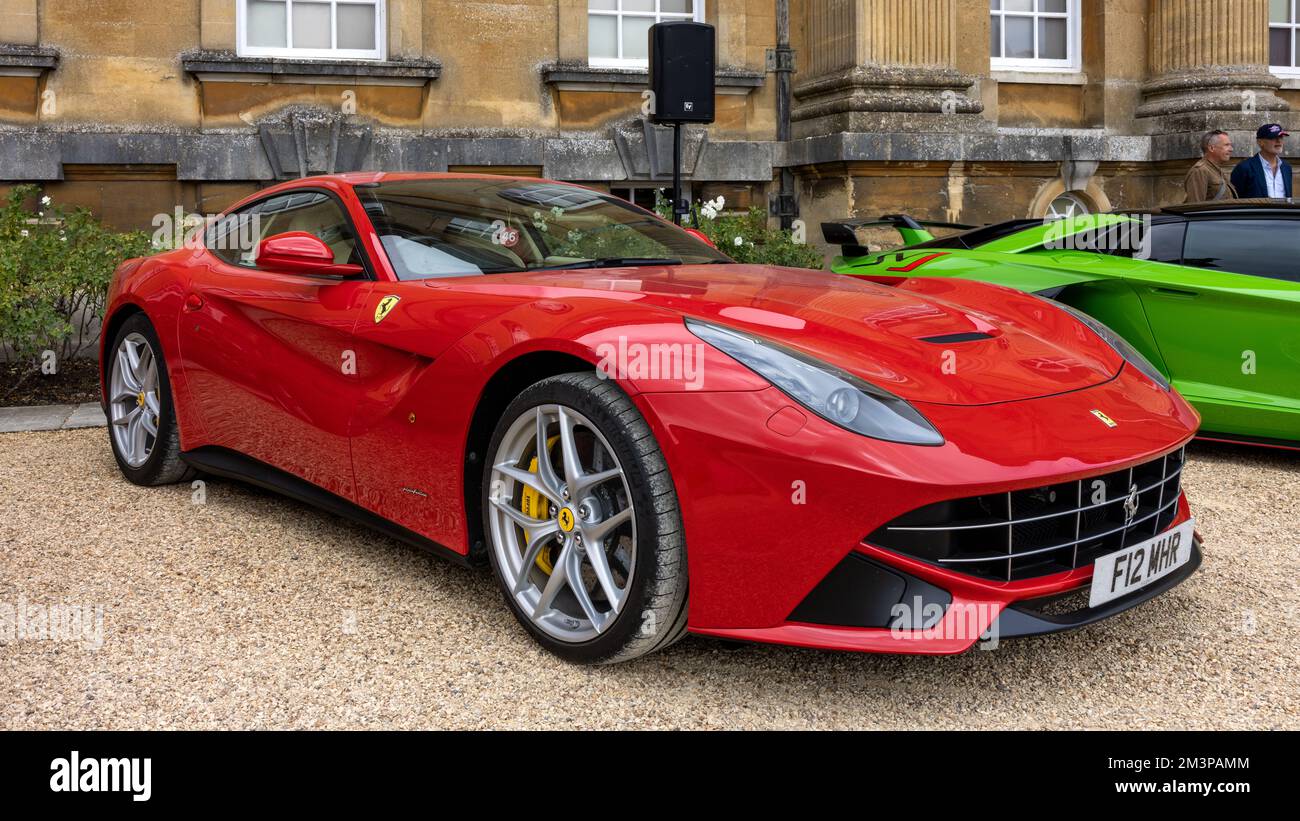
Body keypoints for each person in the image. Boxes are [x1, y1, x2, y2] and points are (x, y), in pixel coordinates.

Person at [1230, 123, 1293, 199]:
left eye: (1281, 137)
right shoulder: (1244, 168)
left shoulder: (1286, 167)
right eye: (1273, 137)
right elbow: (1235, 199)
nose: (1278, 141)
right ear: (1260, 142)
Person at [1184, 130, 1237, 203]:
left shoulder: (1216, 170)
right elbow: (1195, 208)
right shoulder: (1200, 171)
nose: (1231, 149)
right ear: (1211, 148)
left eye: (1230, 145)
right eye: (1226, 145)